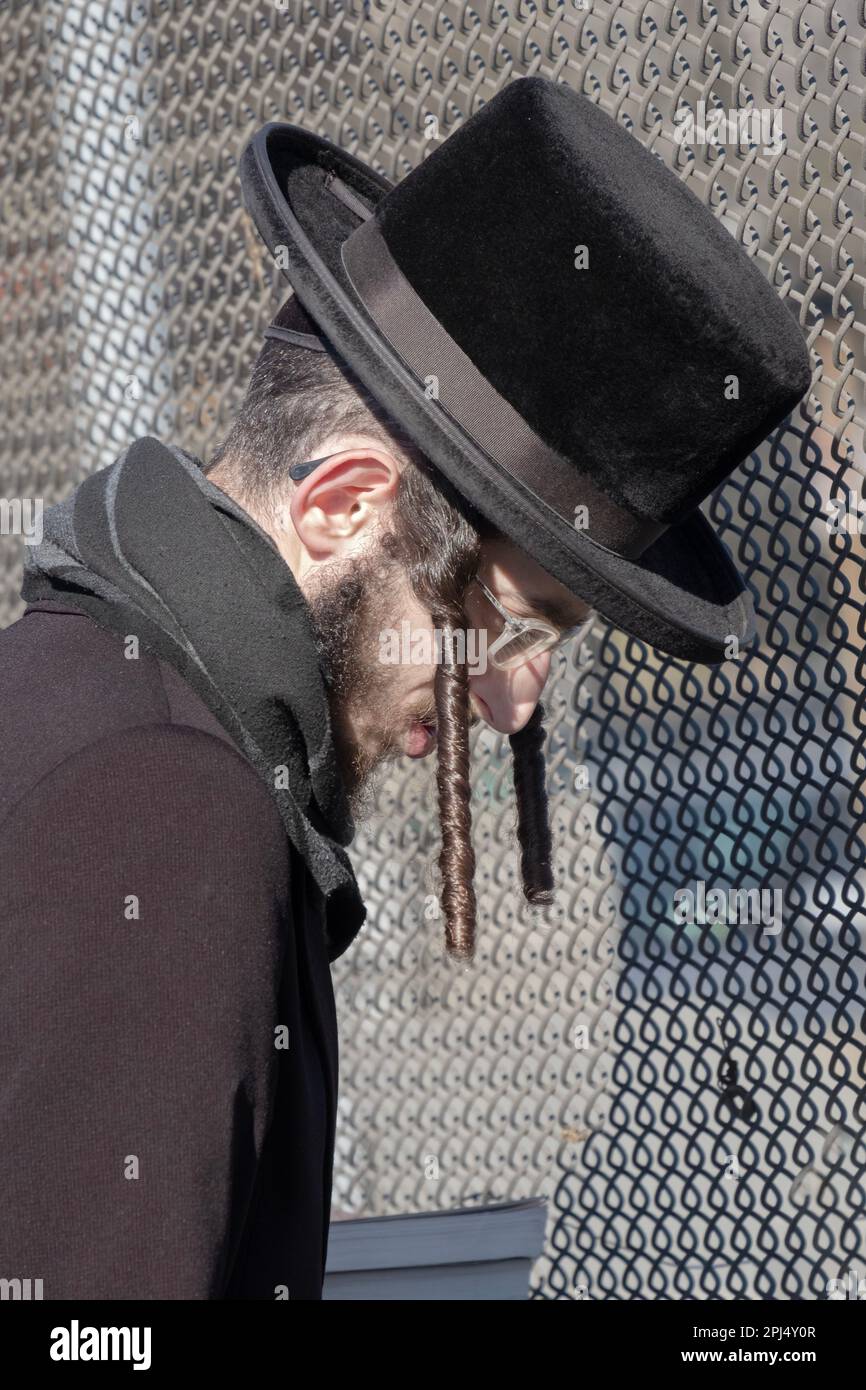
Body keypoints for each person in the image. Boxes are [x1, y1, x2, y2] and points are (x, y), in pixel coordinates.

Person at [0, 76, 810, 1298]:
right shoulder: (165, 811)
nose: (505, 701)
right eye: (492, 622)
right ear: (340, 506)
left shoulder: (71, 689)